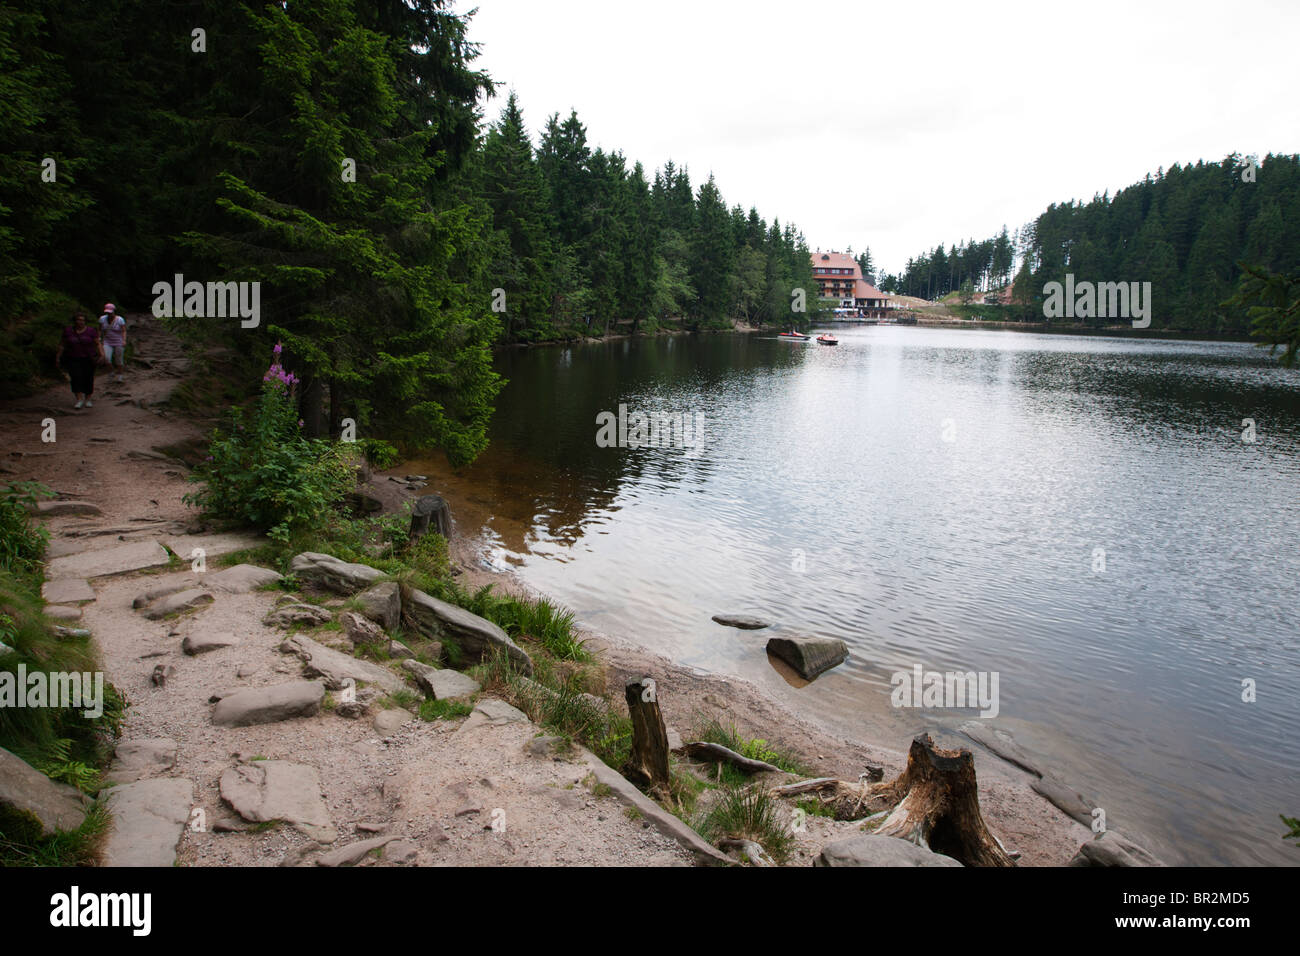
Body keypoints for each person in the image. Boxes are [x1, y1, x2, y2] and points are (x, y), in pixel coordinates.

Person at [54, 311, 101, 409]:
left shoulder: (91, 331)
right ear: (75, 321)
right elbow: (62, 345)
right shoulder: (68, 331)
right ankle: (79, 399)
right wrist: (58, 357)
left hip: (88, 358)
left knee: (88, 378)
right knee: (75, 377)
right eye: (79, 320)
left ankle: (88, 399)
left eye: (83, 320)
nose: (81, 322)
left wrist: (102, 354)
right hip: (73, 358)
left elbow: (97, 343)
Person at [99, 303, 127, 383]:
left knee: (119, 359)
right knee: (107, 359)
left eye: (110, 312)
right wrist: (99, 337)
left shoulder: (120, 320)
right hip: (107, 341)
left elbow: (124, 330)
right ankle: (111, 372)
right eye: (107, 312)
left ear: (114, 311)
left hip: (119, 341)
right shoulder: (102, 319)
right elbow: (100, 329)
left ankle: (120, 375)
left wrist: (124, 340)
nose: (109, 314)